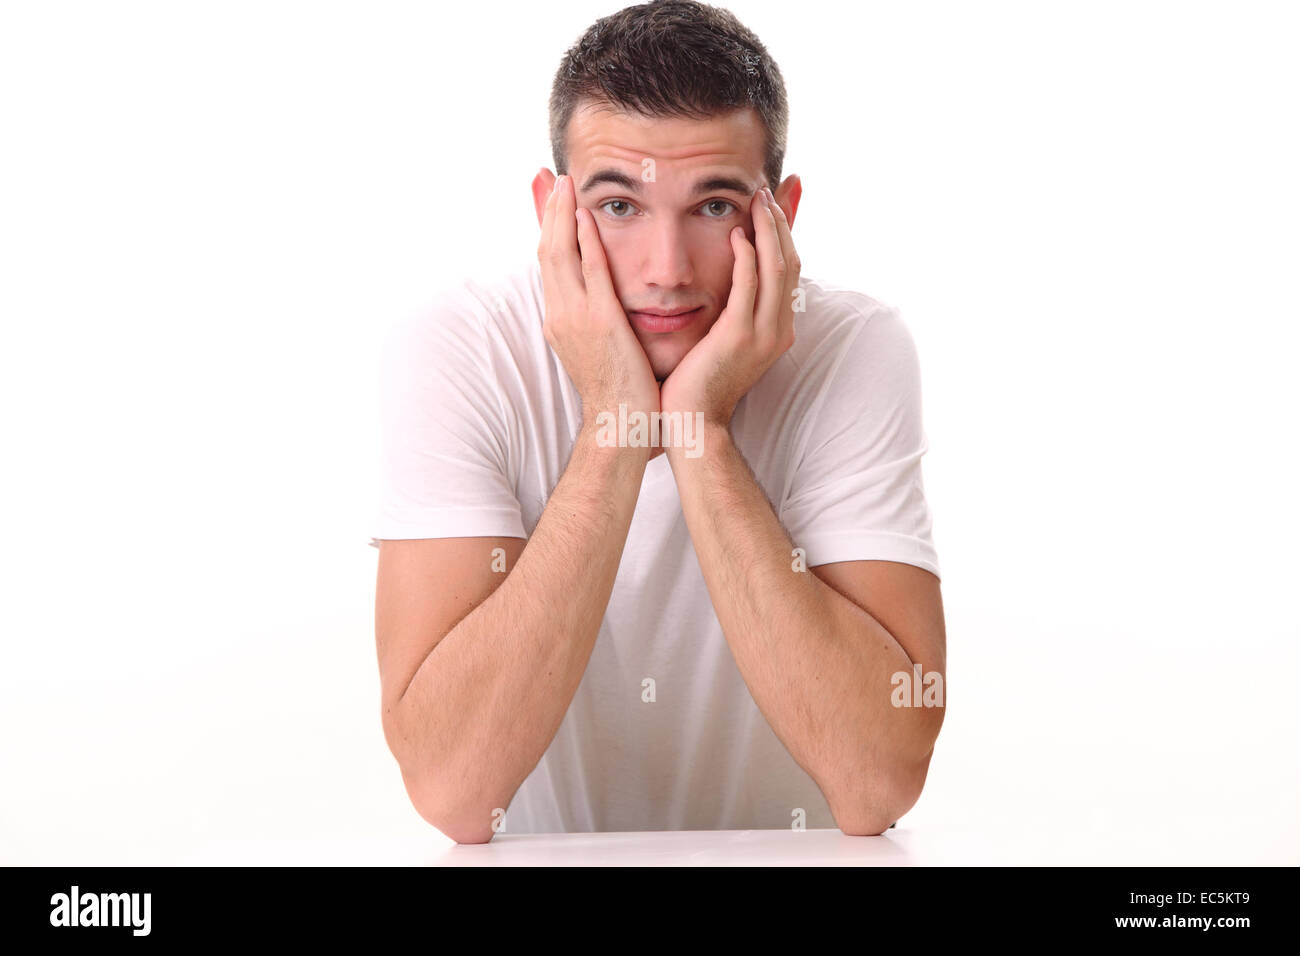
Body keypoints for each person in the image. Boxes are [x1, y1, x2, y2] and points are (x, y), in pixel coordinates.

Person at [370, 0, 945, 844]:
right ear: (552, 211)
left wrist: (700, 434)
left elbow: (879, 783)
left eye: (713, 206)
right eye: (619, 206)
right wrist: (613, 425)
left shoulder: (855, 351)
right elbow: (455, 792)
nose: (666, 272)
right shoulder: (459, 348)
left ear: (781, 212)